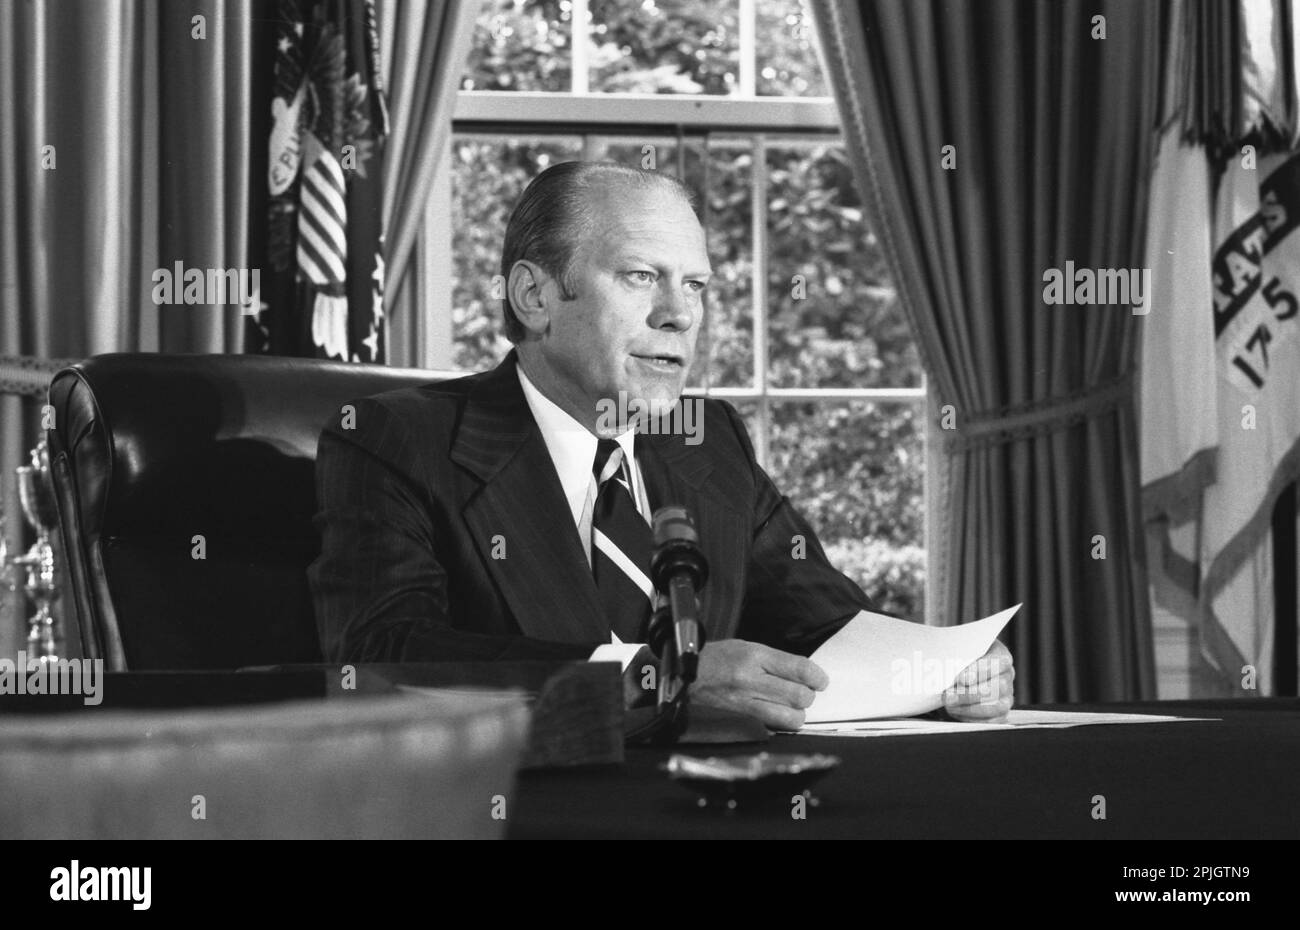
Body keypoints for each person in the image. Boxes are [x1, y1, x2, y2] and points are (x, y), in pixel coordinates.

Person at [308, 161, 1013, 729]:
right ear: (535, 296)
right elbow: (381, 660)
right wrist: (656, 682)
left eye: (697, 286)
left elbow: (827, 629)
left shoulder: (705, 443)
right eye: (641, 277)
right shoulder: (397, 440)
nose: (680, 315)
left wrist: (941, 670)